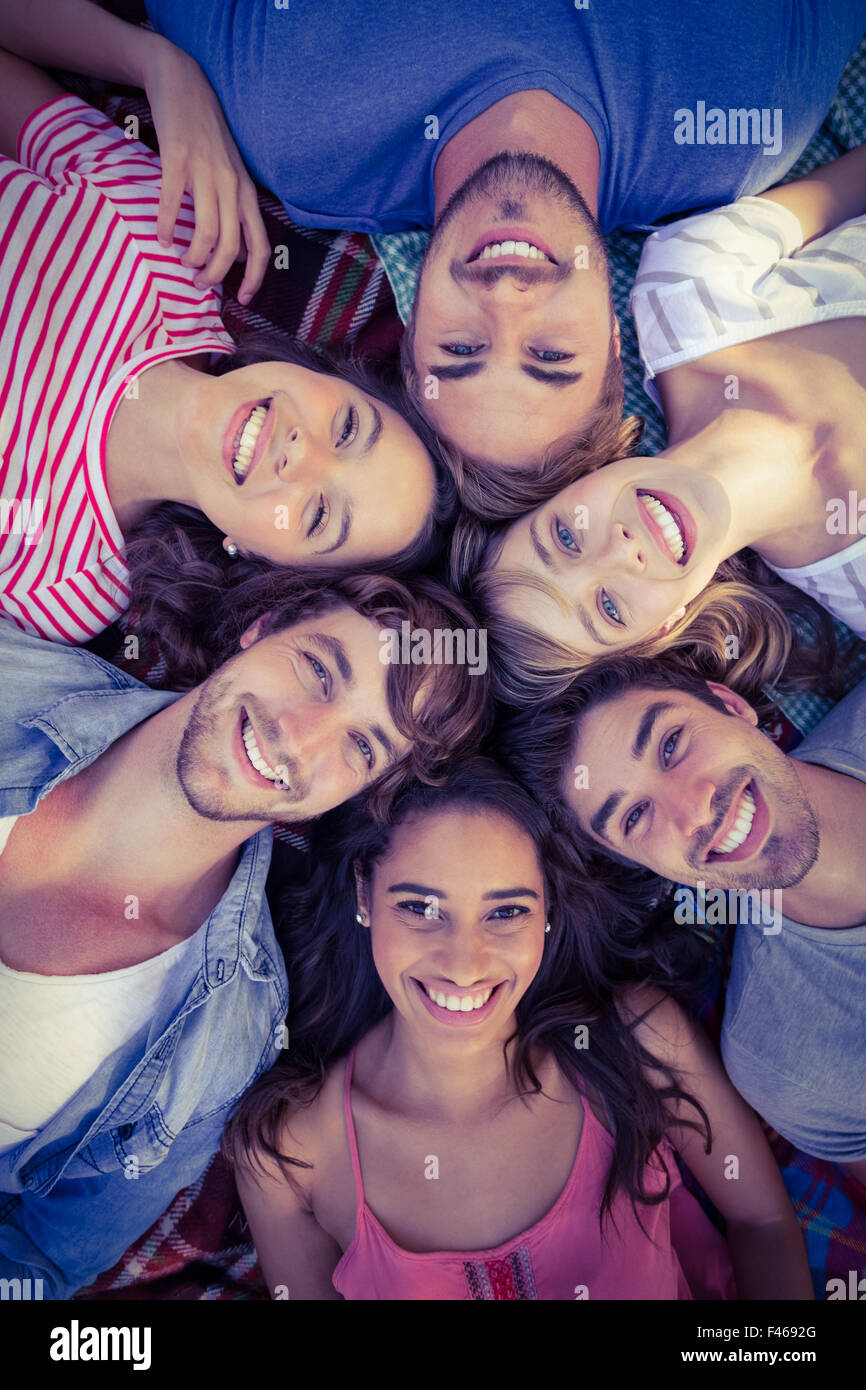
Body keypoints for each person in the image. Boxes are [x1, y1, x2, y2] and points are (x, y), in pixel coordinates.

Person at [138, 0, 864, 495]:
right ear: (615, 337)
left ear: (414, 318)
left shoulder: (299, 134)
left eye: (460, 351)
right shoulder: (739, 128)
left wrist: (153, 65)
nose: (507, 299)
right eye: (551, 356)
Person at [0, 570, 490, 1298]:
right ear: (261, 629)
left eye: (360, 747)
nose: (298, 737)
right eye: (319, 671)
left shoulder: (219, 1044)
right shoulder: (18, 676)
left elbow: (41, 1260)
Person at [225, 759, 812, 1301]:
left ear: (550, 909)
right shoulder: (289, 1154)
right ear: (364, 894)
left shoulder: (637, 1041)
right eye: (421, 908)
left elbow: (760, 1221)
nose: (464, 963)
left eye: (506, 912)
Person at [0, 25, 454, 643]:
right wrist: (160, 63)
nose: (303, 454)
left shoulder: (69, 584)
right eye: (347, 427)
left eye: (320, 514)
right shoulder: (174, 236)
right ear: (324, 373)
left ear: (260, 558)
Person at [467, 141, 866, 696]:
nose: (618, 550)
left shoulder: (681, 289)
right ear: (664, 628)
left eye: (564, 535)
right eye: (607, 607)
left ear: (567, 479)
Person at [499, 658, 866, 1181]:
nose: (694, 812)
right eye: (634, 817)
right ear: (641, 864)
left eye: (671, 745)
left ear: (732, 705)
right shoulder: (787, 1069)